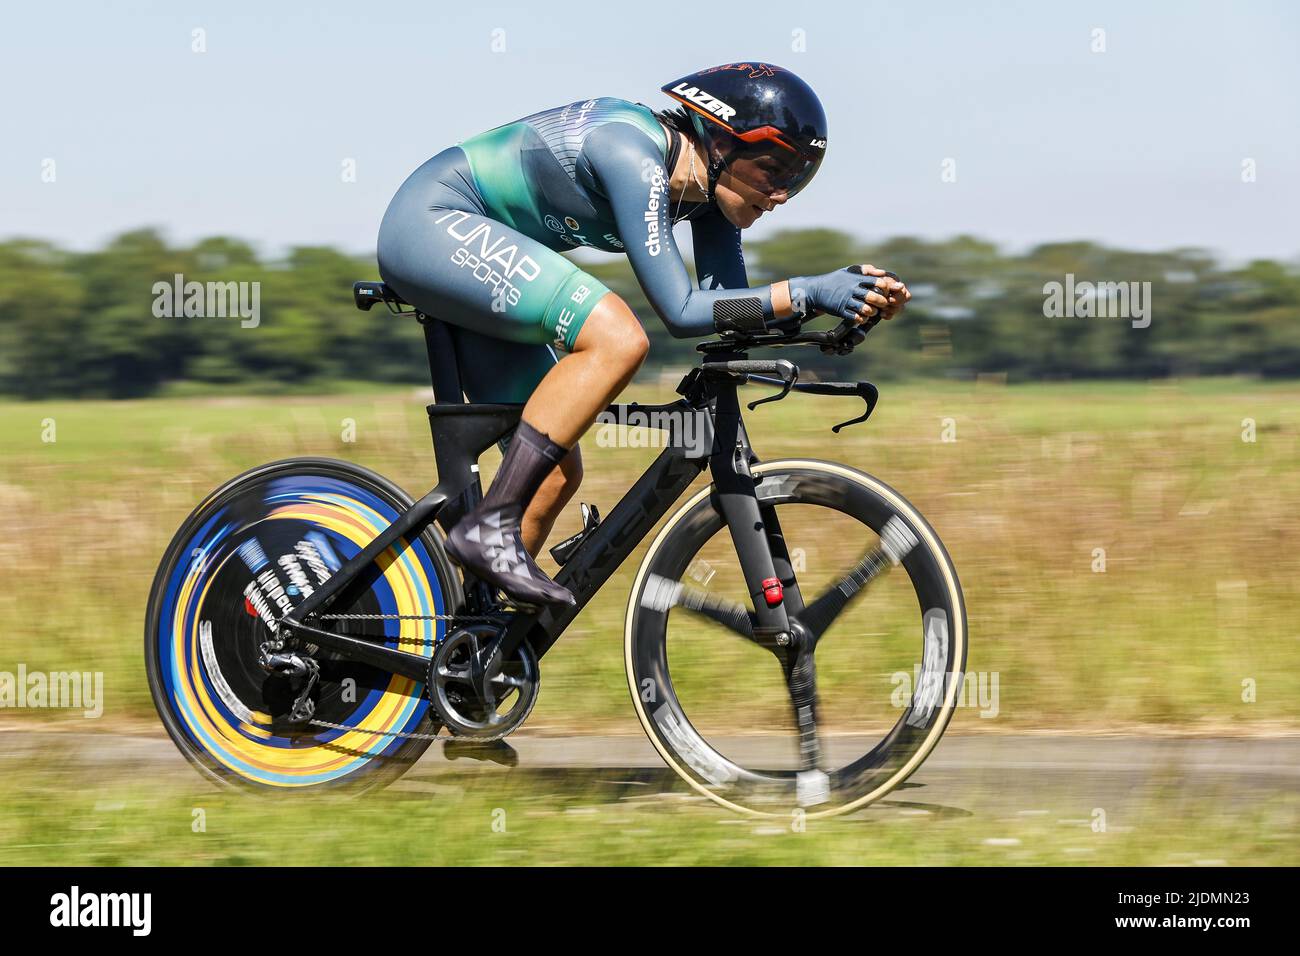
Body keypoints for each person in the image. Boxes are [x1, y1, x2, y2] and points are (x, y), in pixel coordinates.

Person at [376, 61, 911, 607]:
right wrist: (805, 291)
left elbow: (727, 314)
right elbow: (680, 311)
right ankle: (490, 528)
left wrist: (840, 306)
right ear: (721, 139)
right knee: (617, 337)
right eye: (773, 169)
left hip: (486, 261)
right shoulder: (632, 153)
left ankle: (462, 642)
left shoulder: (707, 197)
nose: (780, 194)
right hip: (432, 223)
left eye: (796, 180)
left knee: (555, 475)